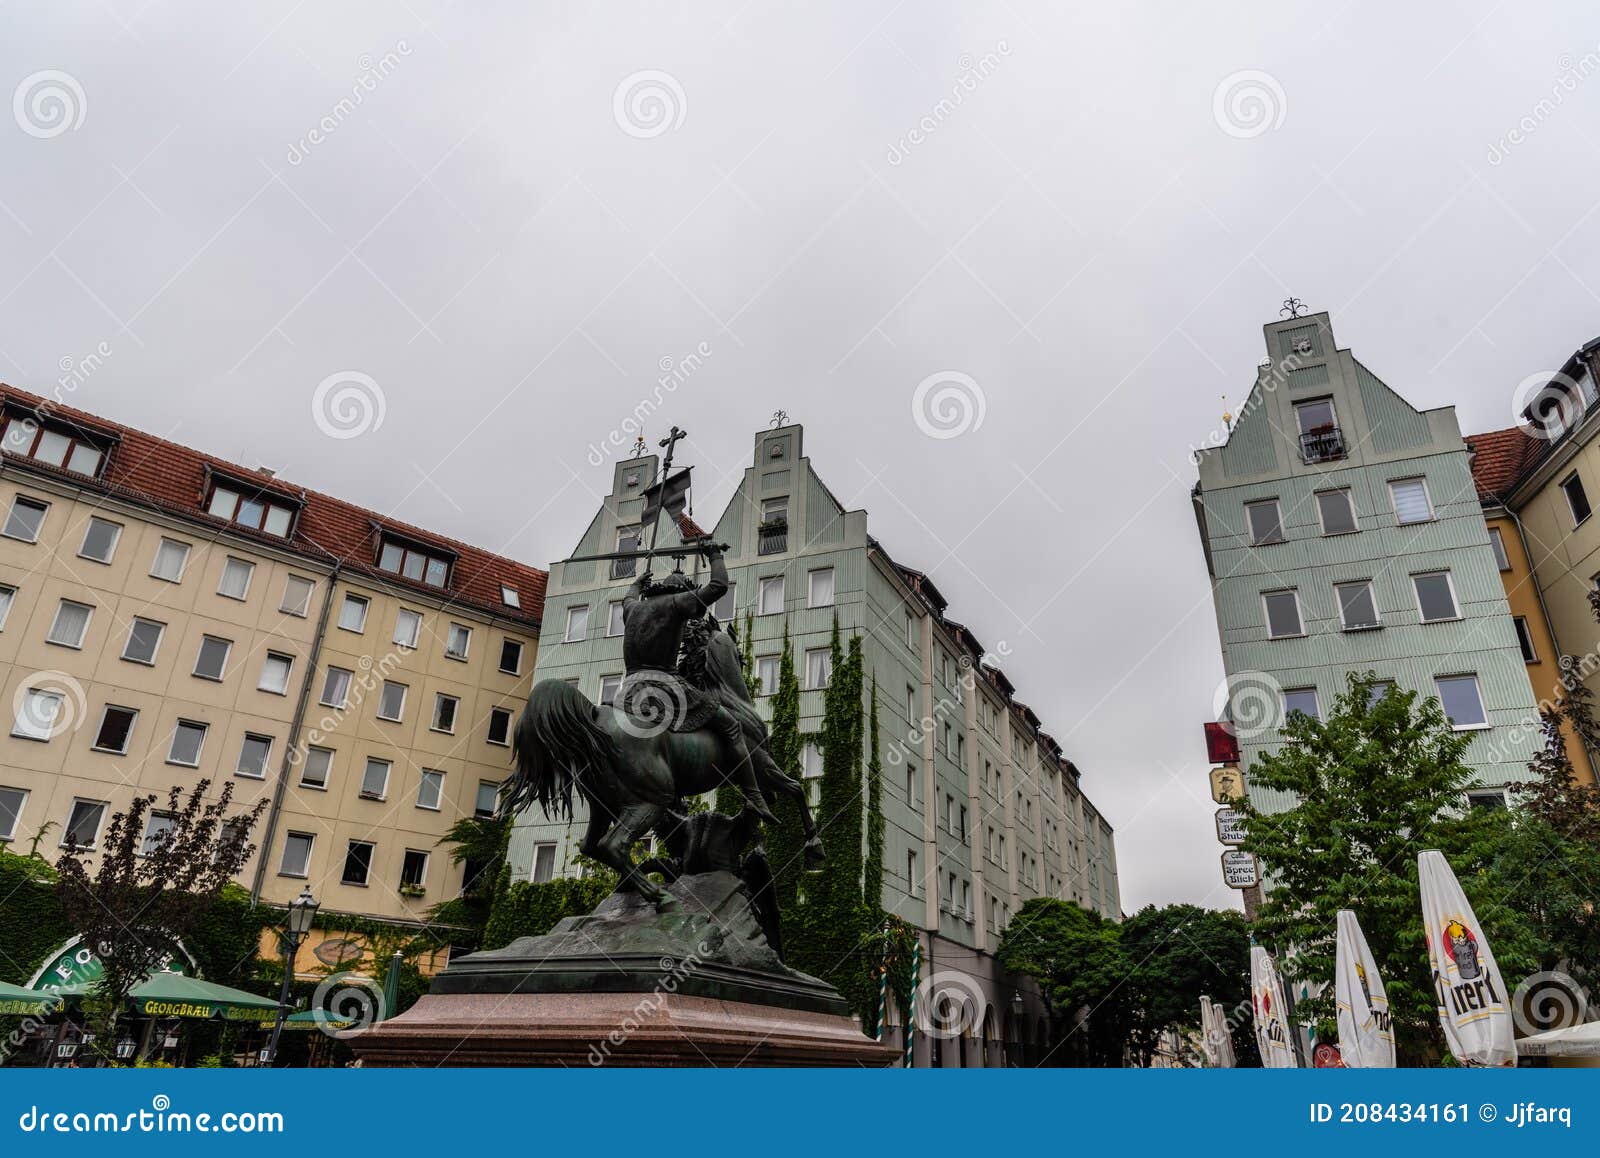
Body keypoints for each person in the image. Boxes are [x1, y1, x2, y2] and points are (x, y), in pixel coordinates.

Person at [619, 544, 777, 823]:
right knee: (730, 725)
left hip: (630, 692)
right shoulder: (675, 604)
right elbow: (718, 586)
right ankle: (754, 795)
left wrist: (636, 583)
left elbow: (627, 597)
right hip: (666, 687)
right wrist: (714, 554)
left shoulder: (633, 608)